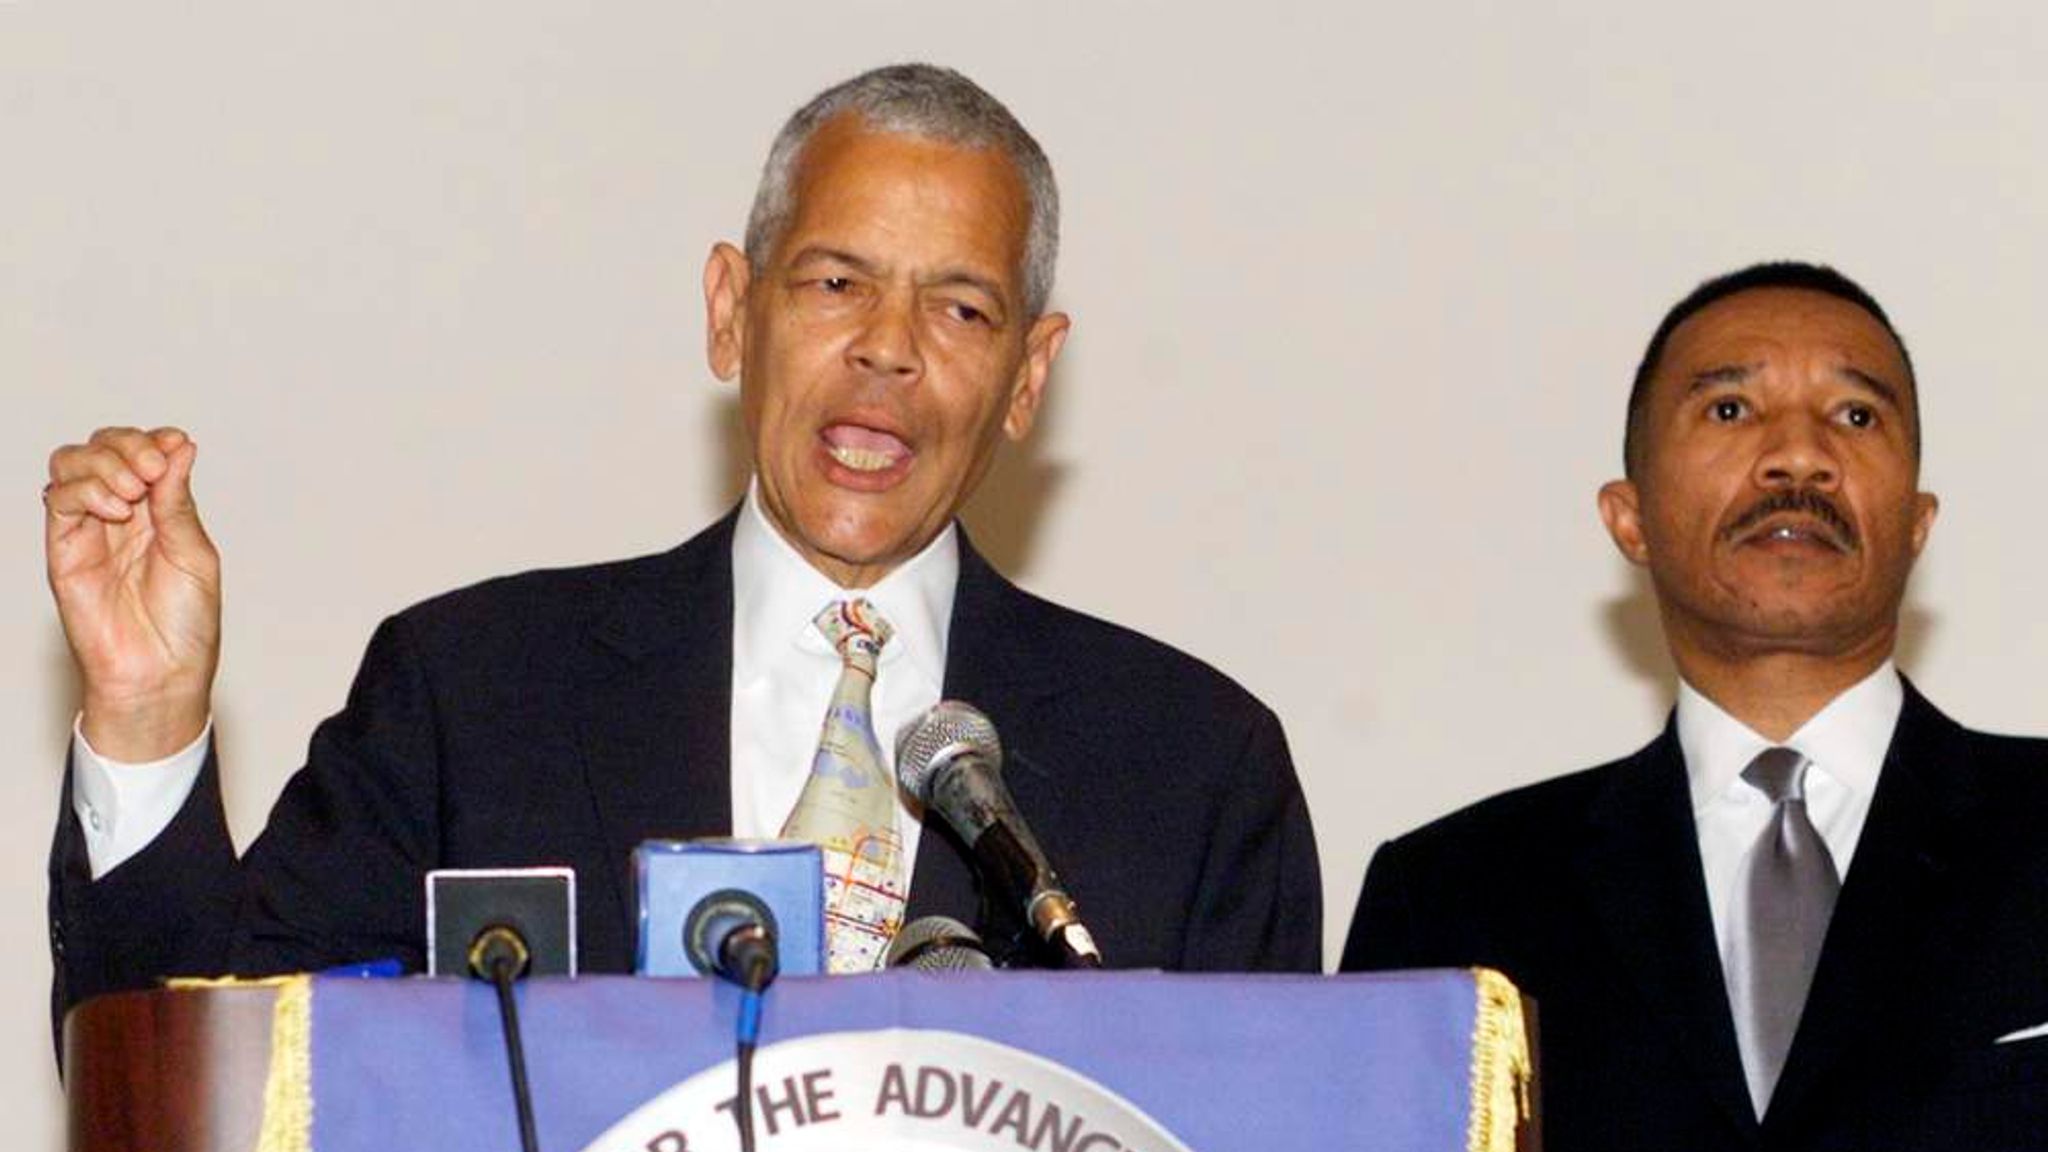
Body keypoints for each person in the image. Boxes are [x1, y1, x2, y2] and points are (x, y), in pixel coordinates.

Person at [45, 64, 1322, 1021]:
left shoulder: (1194, 771)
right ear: (731, 312)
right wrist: (147, 716)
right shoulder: (470, 696)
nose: (888, 345)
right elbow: (203, 1091)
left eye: (961, 305)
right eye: (834, 283)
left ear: (1026, 377)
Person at [1341, 262, 2048, 1151]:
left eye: (1855, 415)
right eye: (1730, 410)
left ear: (1917, 521)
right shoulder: (1453, 899)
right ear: (1627, 519)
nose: (1800, 457)